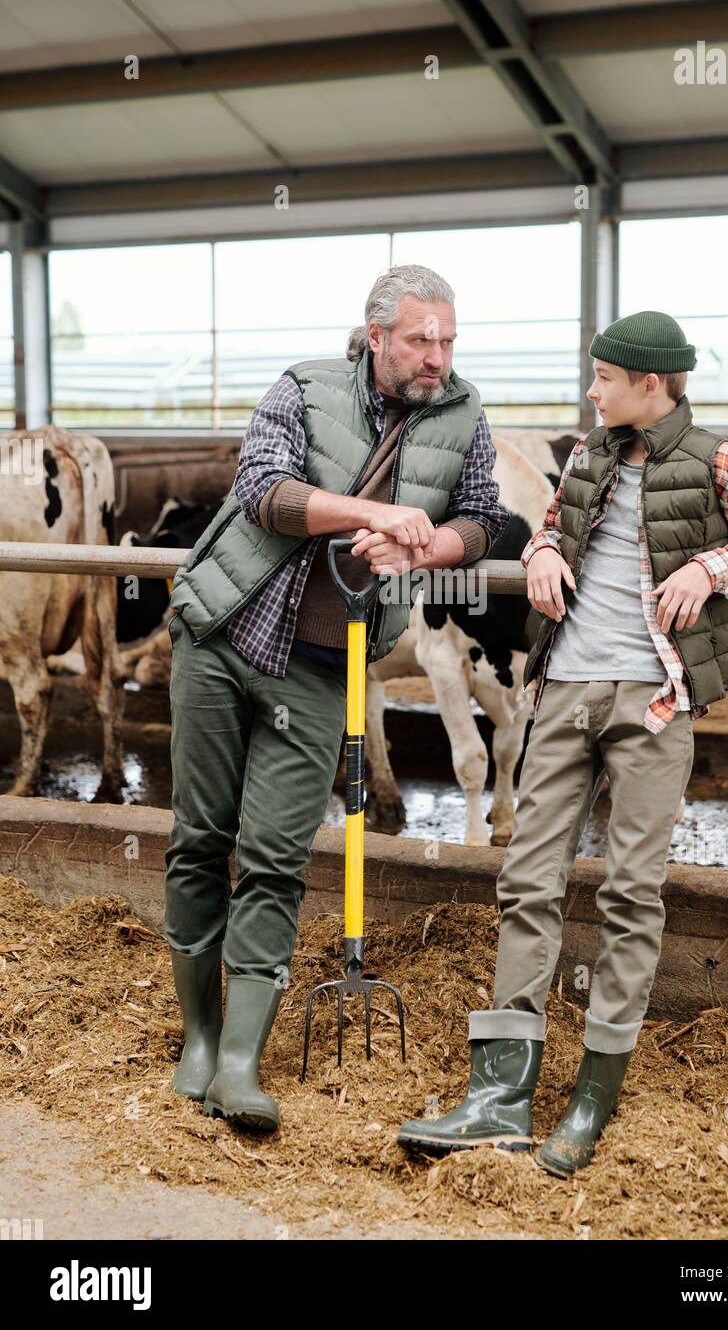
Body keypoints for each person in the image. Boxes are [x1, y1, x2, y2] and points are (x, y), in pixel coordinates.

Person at [398, 310, 728, 1175]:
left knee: (630, 892)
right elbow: (553, 527)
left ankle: (592, 1094)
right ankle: (499, 1091)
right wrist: (541, 553)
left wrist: (707, 567)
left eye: (603, 379)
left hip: (654, 700)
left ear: (649, 385)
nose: (590, 391)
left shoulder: (723, 461)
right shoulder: (586, 455)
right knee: (527, 879)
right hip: (567, 689)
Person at [164, 264, 509, 1133]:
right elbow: (265, 492)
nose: (438, 357)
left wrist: (426, 550)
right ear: (378, 334)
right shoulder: (303, 388)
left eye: (449, 340)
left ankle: (240, 1067)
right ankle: (198, 1039)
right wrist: (374, 513)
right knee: (201, 839)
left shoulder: (466, 415)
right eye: (421, 340)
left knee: (277, 855)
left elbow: (481, 515)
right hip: (222, 634)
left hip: (323, 664)